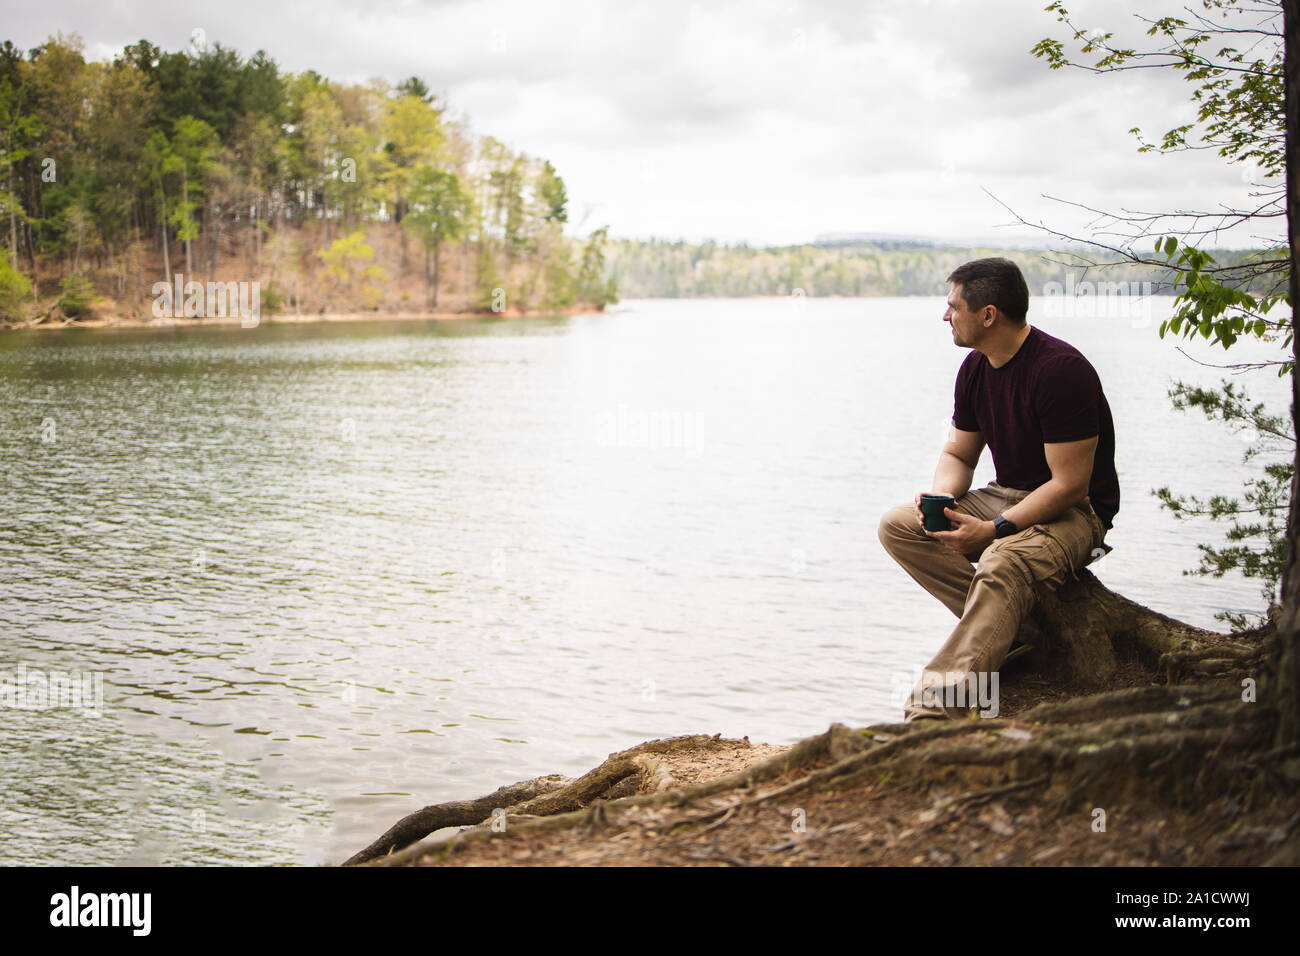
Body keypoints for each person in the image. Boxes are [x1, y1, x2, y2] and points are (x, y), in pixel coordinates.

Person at [877, 257, 1120, 721]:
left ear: (988, 315)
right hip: (1005, 491)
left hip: (1075, 511)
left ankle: (932, 711)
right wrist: (943, 498)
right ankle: (1018, 630)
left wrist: (994, 530)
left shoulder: (1060, 371)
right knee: (899, 527)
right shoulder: (975, 368)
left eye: (953, 306)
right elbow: (959, 455)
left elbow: (1070, 485)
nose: (945, 316)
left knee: (1002, 560)